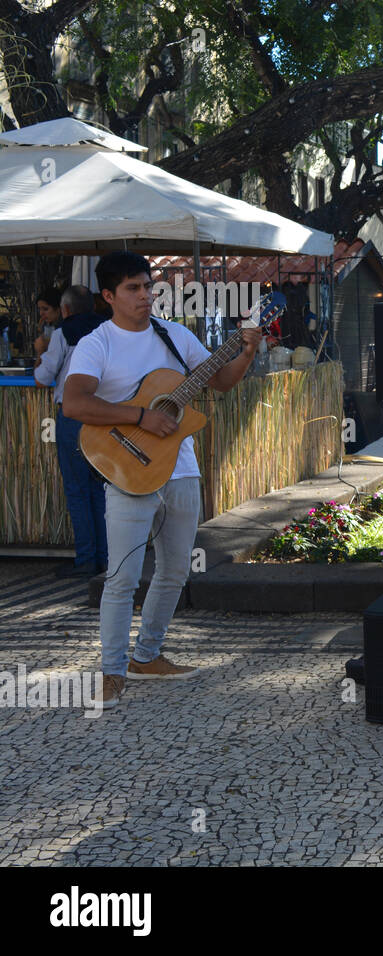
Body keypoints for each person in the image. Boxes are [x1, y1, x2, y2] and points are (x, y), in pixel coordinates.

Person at [62, 250, 262, 710]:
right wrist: (140, 416)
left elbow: (222, 381)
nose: (145, 296)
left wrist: (246, 349)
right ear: (109, 295)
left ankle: (146, 656)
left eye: (148, 286)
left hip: (182, 469)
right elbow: (74, 404)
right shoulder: (98, 343)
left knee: (174, 571)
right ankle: (112, 672)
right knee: (123, 576)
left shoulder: (173, 335)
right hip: (127, 471)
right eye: (133, 288)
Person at [33, 285, 107, 577]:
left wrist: (40, 353)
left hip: (73, 416)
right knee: (100, 487)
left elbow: (42, 378)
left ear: (65, 310)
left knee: (77, 490)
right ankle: (106, 557)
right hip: (105, 415)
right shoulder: (109, 330)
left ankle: (86, 559)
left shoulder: (63, 334)